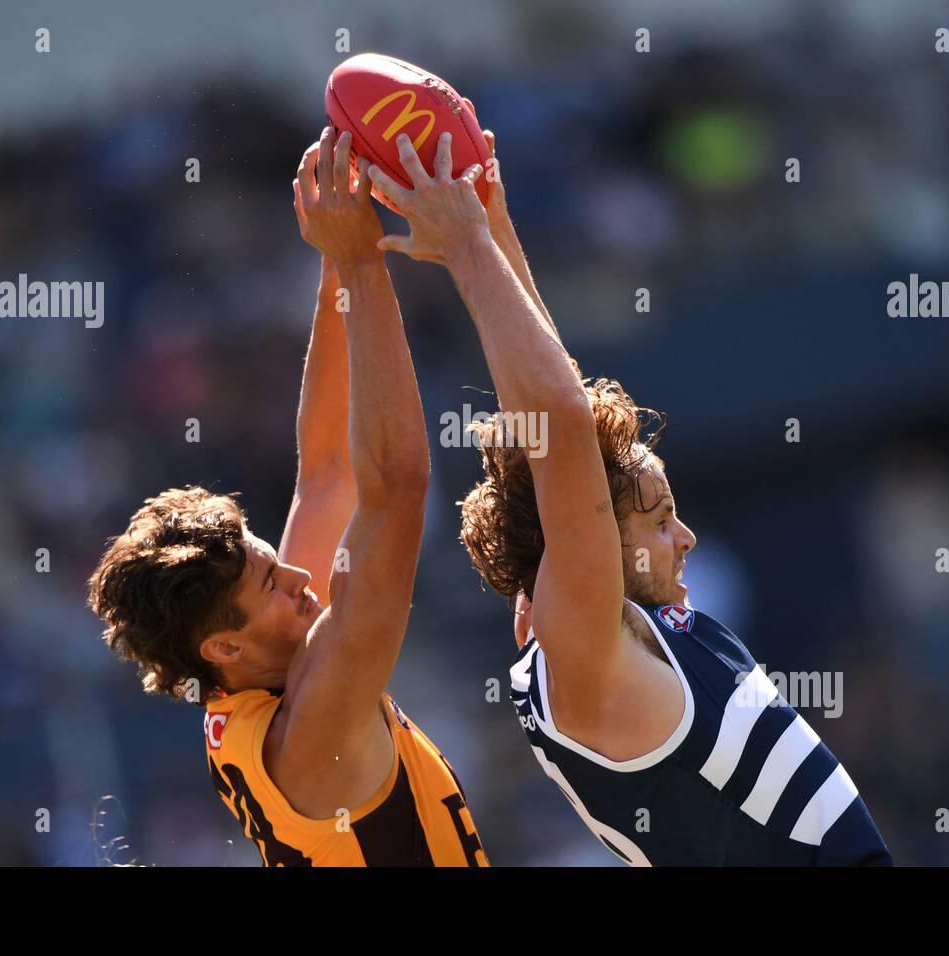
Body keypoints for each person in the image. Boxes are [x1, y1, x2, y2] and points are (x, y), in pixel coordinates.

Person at [369, 129, 891, 866]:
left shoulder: (594, 625)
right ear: (584, 538)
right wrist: (464, 247)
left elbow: (555, 414)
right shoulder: (583, 645)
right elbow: (558, 421)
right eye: (658, 519)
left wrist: (490, 226)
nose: (686, 538)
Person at [87, 128, 487, 867]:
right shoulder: (315, 726)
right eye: (273, 583)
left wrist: (337, 256)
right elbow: (396, 485)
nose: (305, 579)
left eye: (276, 564)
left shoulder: (248, 680)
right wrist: (366, 266)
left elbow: (330, 470)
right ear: (224, 646)